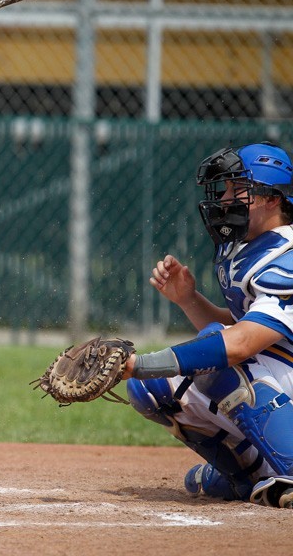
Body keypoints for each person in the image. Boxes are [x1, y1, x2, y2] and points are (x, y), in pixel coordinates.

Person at [123, 141, 293, 508]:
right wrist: (188, 299)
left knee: (218, 359)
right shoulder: (249, 248)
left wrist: (140, 363)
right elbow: (242, 327)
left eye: (238, 189)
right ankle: (251, 475)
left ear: (272, 199)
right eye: (225, 189)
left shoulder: (287, 254)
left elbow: (239, 345)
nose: (226, 199)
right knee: (152, 389)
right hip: (284, 377)